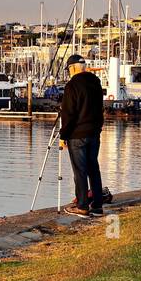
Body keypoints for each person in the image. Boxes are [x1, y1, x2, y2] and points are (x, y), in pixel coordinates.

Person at [58, 53, 105, 216]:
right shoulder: (96, 82)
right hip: (94, 133)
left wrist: (63, 135)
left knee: (80, 171)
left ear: (72, 68)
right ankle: (97, 205)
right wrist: (99, 128)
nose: (69, 73)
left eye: (69, 69)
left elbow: (69, 114)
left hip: (77, 134)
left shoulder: (72, 85)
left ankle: (83, 205)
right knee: (93, 168)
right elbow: (100, 108)